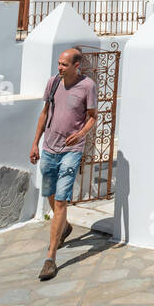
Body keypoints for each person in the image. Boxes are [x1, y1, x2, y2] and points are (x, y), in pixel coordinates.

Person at [29, 47, 97, 281]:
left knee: (60, 200)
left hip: (71, 151)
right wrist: (35, 143)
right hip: (49, 147)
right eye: (59, 63)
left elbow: (92, 117)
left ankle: (50, 257)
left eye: (64, 64)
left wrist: (80, 135)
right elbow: (44, 113)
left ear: (76, 66)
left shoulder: (87, 86)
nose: (60, 67)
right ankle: (64, 227)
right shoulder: (53, 83)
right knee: (49, 194)